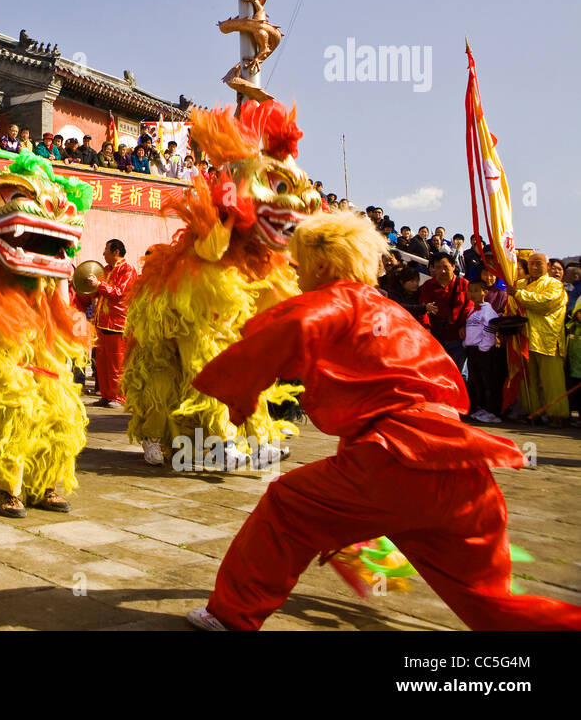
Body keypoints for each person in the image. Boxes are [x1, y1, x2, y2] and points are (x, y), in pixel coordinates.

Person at [185, 210, 581, 631]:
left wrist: (238, 390)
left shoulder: (335, 300)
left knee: (288, 506)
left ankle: (230, 614)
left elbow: (285, 329)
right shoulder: (392, 312)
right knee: (489, 604)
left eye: (298, 266)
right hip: (461, 468)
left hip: (395, 460)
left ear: (320, 265)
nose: (296, 276)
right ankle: (386, 582)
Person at [507, 251, 568, 426]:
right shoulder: (519, 284)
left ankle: (557, 415)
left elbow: (544, 303)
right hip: (524, 338)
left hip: (547, 339)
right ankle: (531, 412)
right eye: (531, 264)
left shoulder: (554, 285)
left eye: (538, 264)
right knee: (528, 380)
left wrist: (518, 295)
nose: (534, 267)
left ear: (547, 267)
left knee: (552, 380)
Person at [90, 239, 136, 410]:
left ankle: (119, 397)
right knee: (101, 363)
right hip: (102, 323)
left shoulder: (128, 270)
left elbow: (118, 292)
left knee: (117, 363)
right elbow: (100, 293)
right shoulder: (106, 270)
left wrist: (99, 284)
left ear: (116, 252)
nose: (103, 253)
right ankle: (106, 394)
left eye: (106, 249)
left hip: (118, 323)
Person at [418, 252, 472, 371]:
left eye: (445, 267)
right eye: (438, 268)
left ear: (453, 267)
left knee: (458, 373)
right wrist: (426, 328)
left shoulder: (464, 284)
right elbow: (423, 308)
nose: (442, 271)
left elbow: (469, 308)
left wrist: (464, 325)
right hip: (436, 338)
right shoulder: (428, 286)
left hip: (457, 338)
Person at [464, 279, 502, 423]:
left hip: (483, 350)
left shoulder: (487, 310)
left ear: (485, 292)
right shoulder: (472, 310)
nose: (472, 294)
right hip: (472, 349)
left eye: (476, 290)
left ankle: (491, 411)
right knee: (476, 381)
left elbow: (490, 328)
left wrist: (484, 347)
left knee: (487, 381)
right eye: (470, 290)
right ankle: (480, 408)